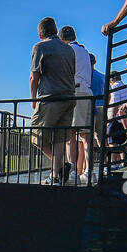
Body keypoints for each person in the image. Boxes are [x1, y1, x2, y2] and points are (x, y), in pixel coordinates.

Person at [29, 16, 76, 185]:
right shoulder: (69, 49)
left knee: (36, 137)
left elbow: (34, 77)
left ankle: (61, 167)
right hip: (70, 98)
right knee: (59, 139)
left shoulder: (40, 47)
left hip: (50, 98)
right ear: (55, 31)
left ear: (40, 35)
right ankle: (56, 175)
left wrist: (33, 100)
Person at [60, 25, 94, 181]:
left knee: (71, 134)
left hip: (74, 91)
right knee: (86, 134)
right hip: (86, 91)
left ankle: (72, 171)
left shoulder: (67, 51)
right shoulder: (84, 51)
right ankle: (88, 171)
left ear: (62, 40)